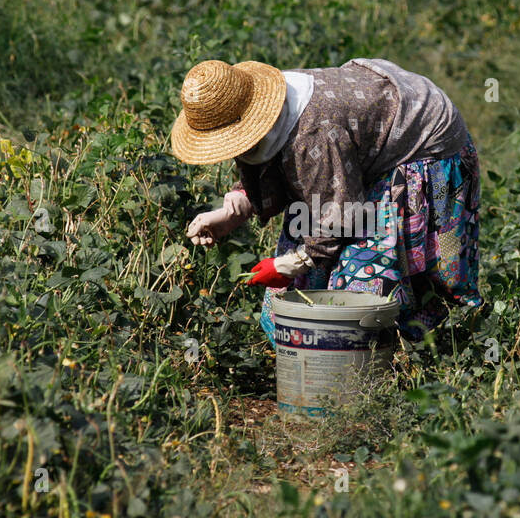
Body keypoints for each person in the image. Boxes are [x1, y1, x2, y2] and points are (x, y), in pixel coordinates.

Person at [171, 57, 482, 342]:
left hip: (421, 137)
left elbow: (343, 214)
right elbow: (274, 165)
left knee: (366, 275)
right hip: (358, 146)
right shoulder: (266, 107)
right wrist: (232, 210)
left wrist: (291, 263)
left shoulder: (314, 133)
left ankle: (426, 347)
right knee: (310, 253)